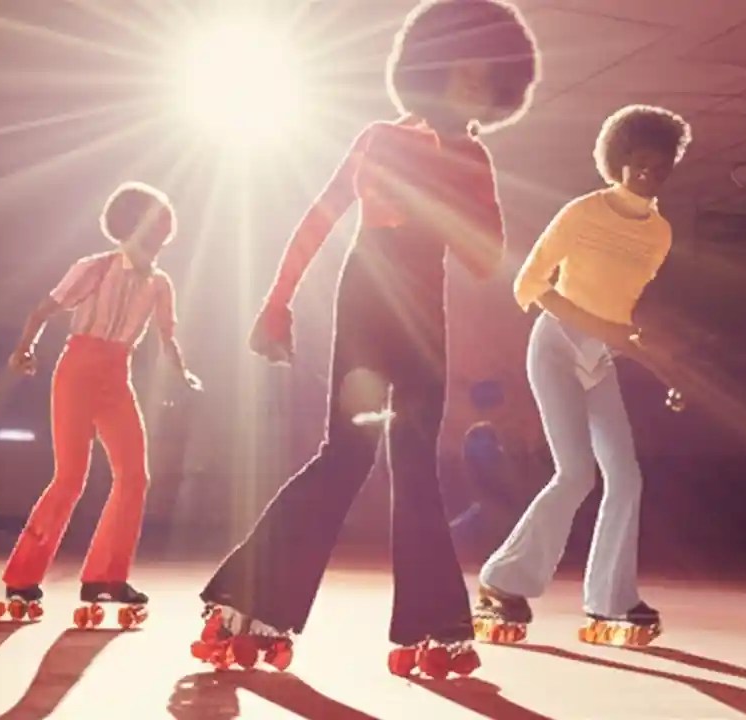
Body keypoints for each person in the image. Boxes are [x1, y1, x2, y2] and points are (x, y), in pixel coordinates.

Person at [191, 0, 540, 679]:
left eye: (483, 79)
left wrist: (448, 197)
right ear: (426, 71)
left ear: (501, 91)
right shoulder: (380, 136)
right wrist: (277, 306)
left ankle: (432, 625)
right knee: (345, 456)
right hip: (367, 297)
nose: (469, 88)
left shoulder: (474, 158)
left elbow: (485, 259)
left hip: (423, 314)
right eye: (458, 72)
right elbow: (320, 218)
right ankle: (246, 600)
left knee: (416, 468)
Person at [474, 105, 691, 648]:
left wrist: (663, 366)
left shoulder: (660, 233)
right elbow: (528, 284)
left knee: (627, 477)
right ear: (616, 162)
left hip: (600, 359)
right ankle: (503, 579)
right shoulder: (582, 213)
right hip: (553, 347)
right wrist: (599, 326)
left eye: (659, 167)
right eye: (638, 163)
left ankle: (611, 600)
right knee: (576, 473)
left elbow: (622, 314)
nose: (648, 174)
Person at [0, 182, 200, 629]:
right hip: (78, 369)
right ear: (135, 224)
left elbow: (167, 337)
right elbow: (43, 309)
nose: (168, 224)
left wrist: (181, 376)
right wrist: (23, 349)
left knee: (135, 476)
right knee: (70, 477)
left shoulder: (160, 283)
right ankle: (23, 577)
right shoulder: (94, 268)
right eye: (160, 216)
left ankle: (106, 577)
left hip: (116, 374)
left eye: (168, 217)